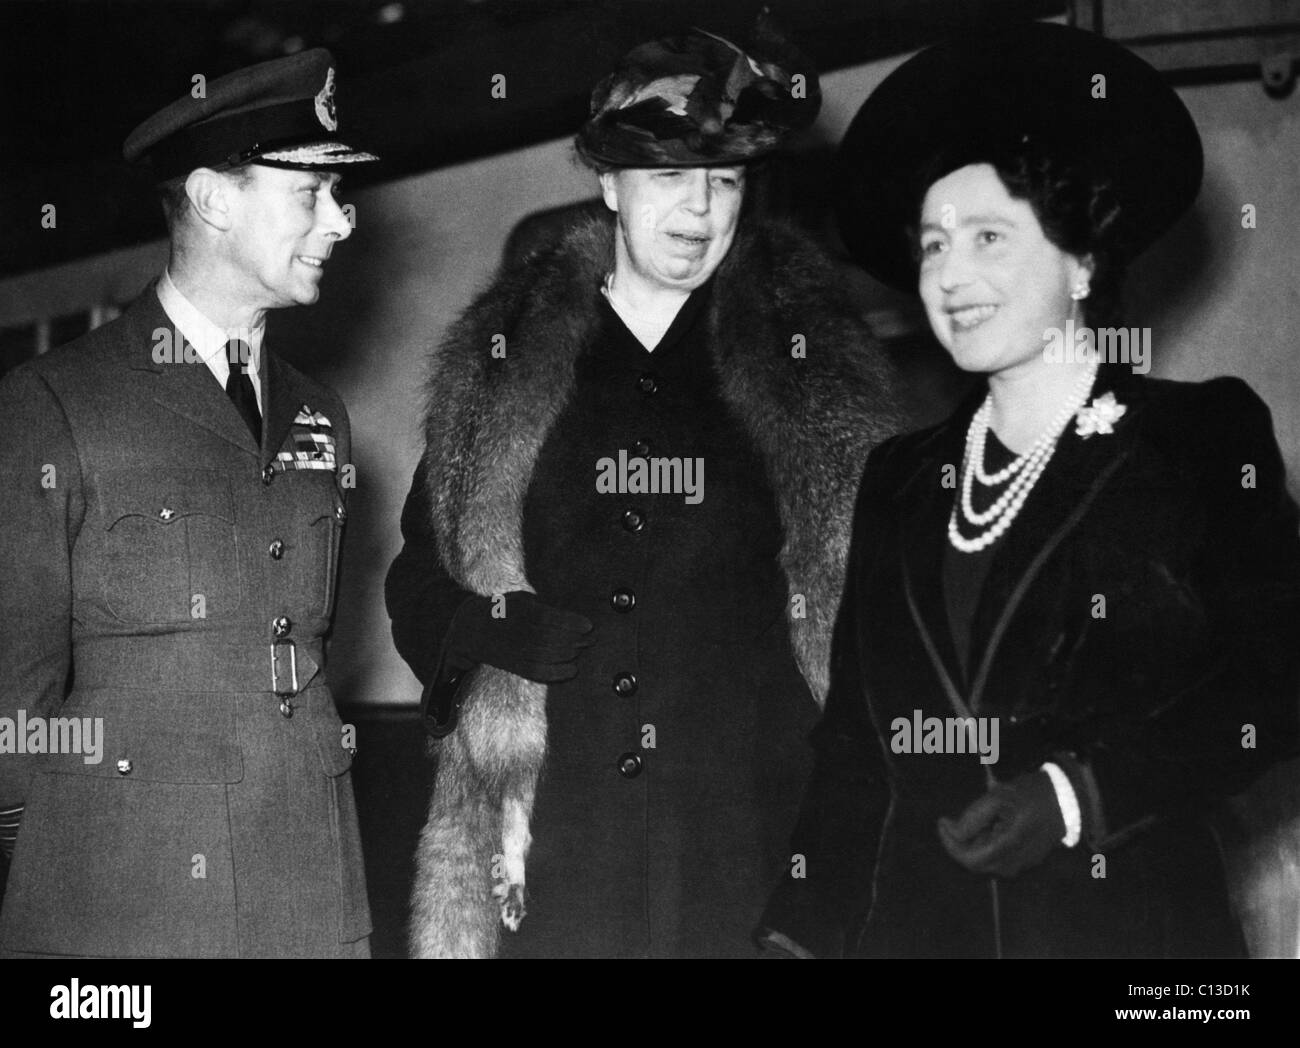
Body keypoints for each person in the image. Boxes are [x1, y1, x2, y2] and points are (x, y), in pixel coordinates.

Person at [760, 21, 1300, 958]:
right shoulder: (899, 480)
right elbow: (855, 753)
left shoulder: (1194, 438)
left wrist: (1080, 794)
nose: (951, 277)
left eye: (989, 238)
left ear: (1083, 262)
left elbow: (1280, 685)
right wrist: (794, 939)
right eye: (932, 247)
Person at [386, 21, 902, 958]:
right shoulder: (500, 371)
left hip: (748, 842)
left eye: (726, 181)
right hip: (556, 844)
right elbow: (416, 580)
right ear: (609, 182)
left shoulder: (810, 372)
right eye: (670, 177)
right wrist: (482, 630)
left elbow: (872, 621)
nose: (701, 210)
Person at [0, 48, 378, 957]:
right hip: (131, 899)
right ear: (212, 199)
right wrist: (56, 884)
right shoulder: (55, 404)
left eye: (340, 196)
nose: (341, 222)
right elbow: (12, 699)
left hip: (311, 891)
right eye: (310, 194)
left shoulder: (319, 413)